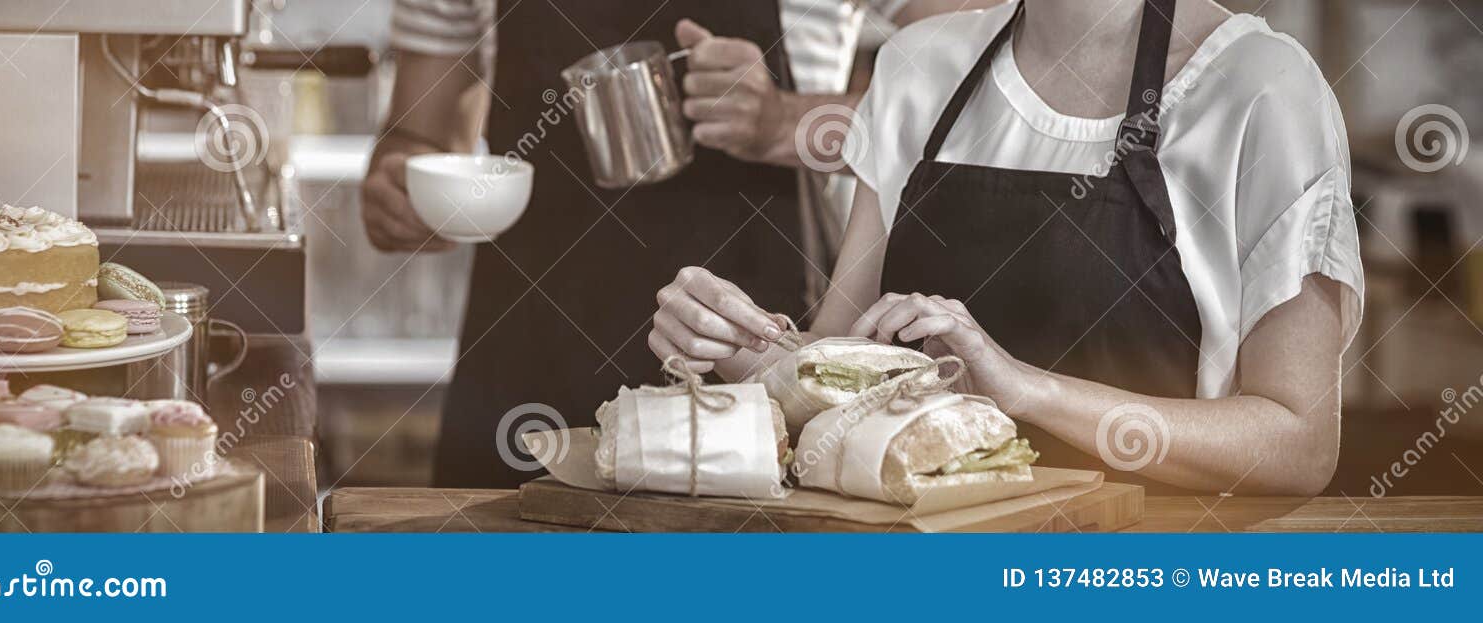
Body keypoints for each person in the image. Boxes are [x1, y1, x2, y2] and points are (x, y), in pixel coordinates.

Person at [648, 0, 1365, 495]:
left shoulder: (1263, 89)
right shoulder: (918, 69)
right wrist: (739, 346)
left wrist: (1030, 390)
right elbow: (830, 380)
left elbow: (1298, 442)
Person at [364, 0, 982, 488]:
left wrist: (782, 120)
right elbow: (420, 131)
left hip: (756, 350)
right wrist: (401, 179)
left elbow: (966, 115)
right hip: (529, 341)